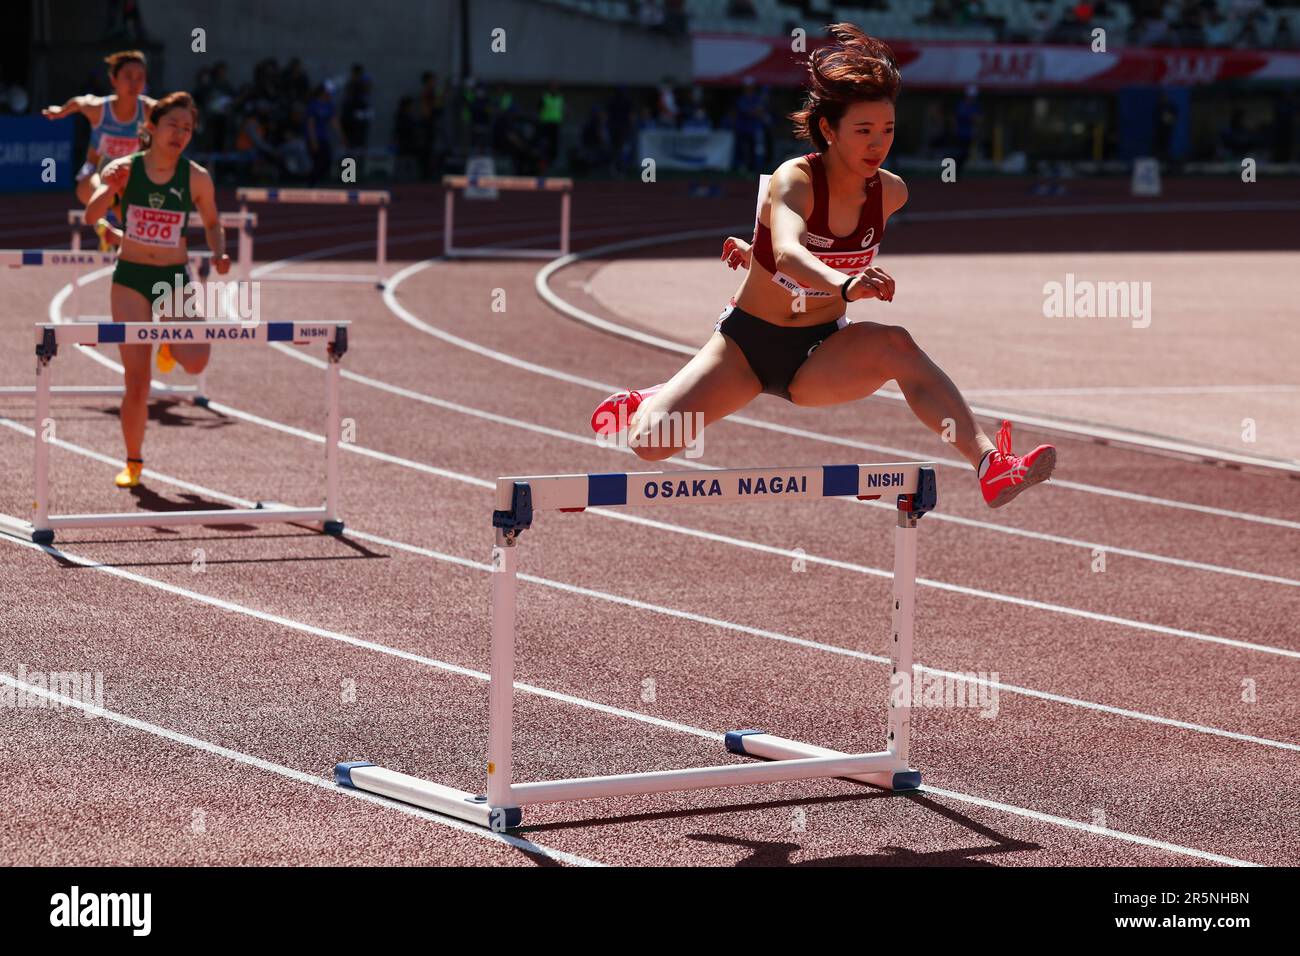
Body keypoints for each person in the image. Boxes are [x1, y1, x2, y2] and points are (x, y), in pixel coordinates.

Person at [590, 24, 1055, 509]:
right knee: (650, 444)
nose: (878, 144)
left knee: (896, 344)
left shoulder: (891, 193)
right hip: (747, 344)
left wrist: (761, 257)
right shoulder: (796, 178)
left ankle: (991, 466)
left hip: (819, 352)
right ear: (829, 130)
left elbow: (800, 254)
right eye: (864, 131)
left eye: (888, 130)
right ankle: (650, 398)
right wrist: (844, 282)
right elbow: (791, 250)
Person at [84, 92, 232, 489]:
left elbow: (214, 222)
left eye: (188, 129)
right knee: (138, 380)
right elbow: (91, 215)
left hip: (172, 278)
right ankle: (133, 462)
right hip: (131, 278)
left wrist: (219, 252)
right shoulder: (127, 169)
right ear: (151, 127)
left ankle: (169, 340)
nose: (180, 134)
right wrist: (107, 185)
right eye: (173, 125)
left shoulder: (196, 177)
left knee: (197, 362)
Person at [42, 50, 155, 249]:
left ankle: (117, 237)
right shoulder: (100, 109)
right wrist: (61, 112)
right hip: (95, 172)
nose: (134, 83)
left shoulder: (147, 109)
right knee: (101, 190)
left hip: (128, 177)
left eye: (140, 78)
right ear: (113, 80)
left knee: (132, 213)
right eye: (127, 76)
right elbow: (78, 102)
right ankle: (109, 228)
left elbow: (172, 111)